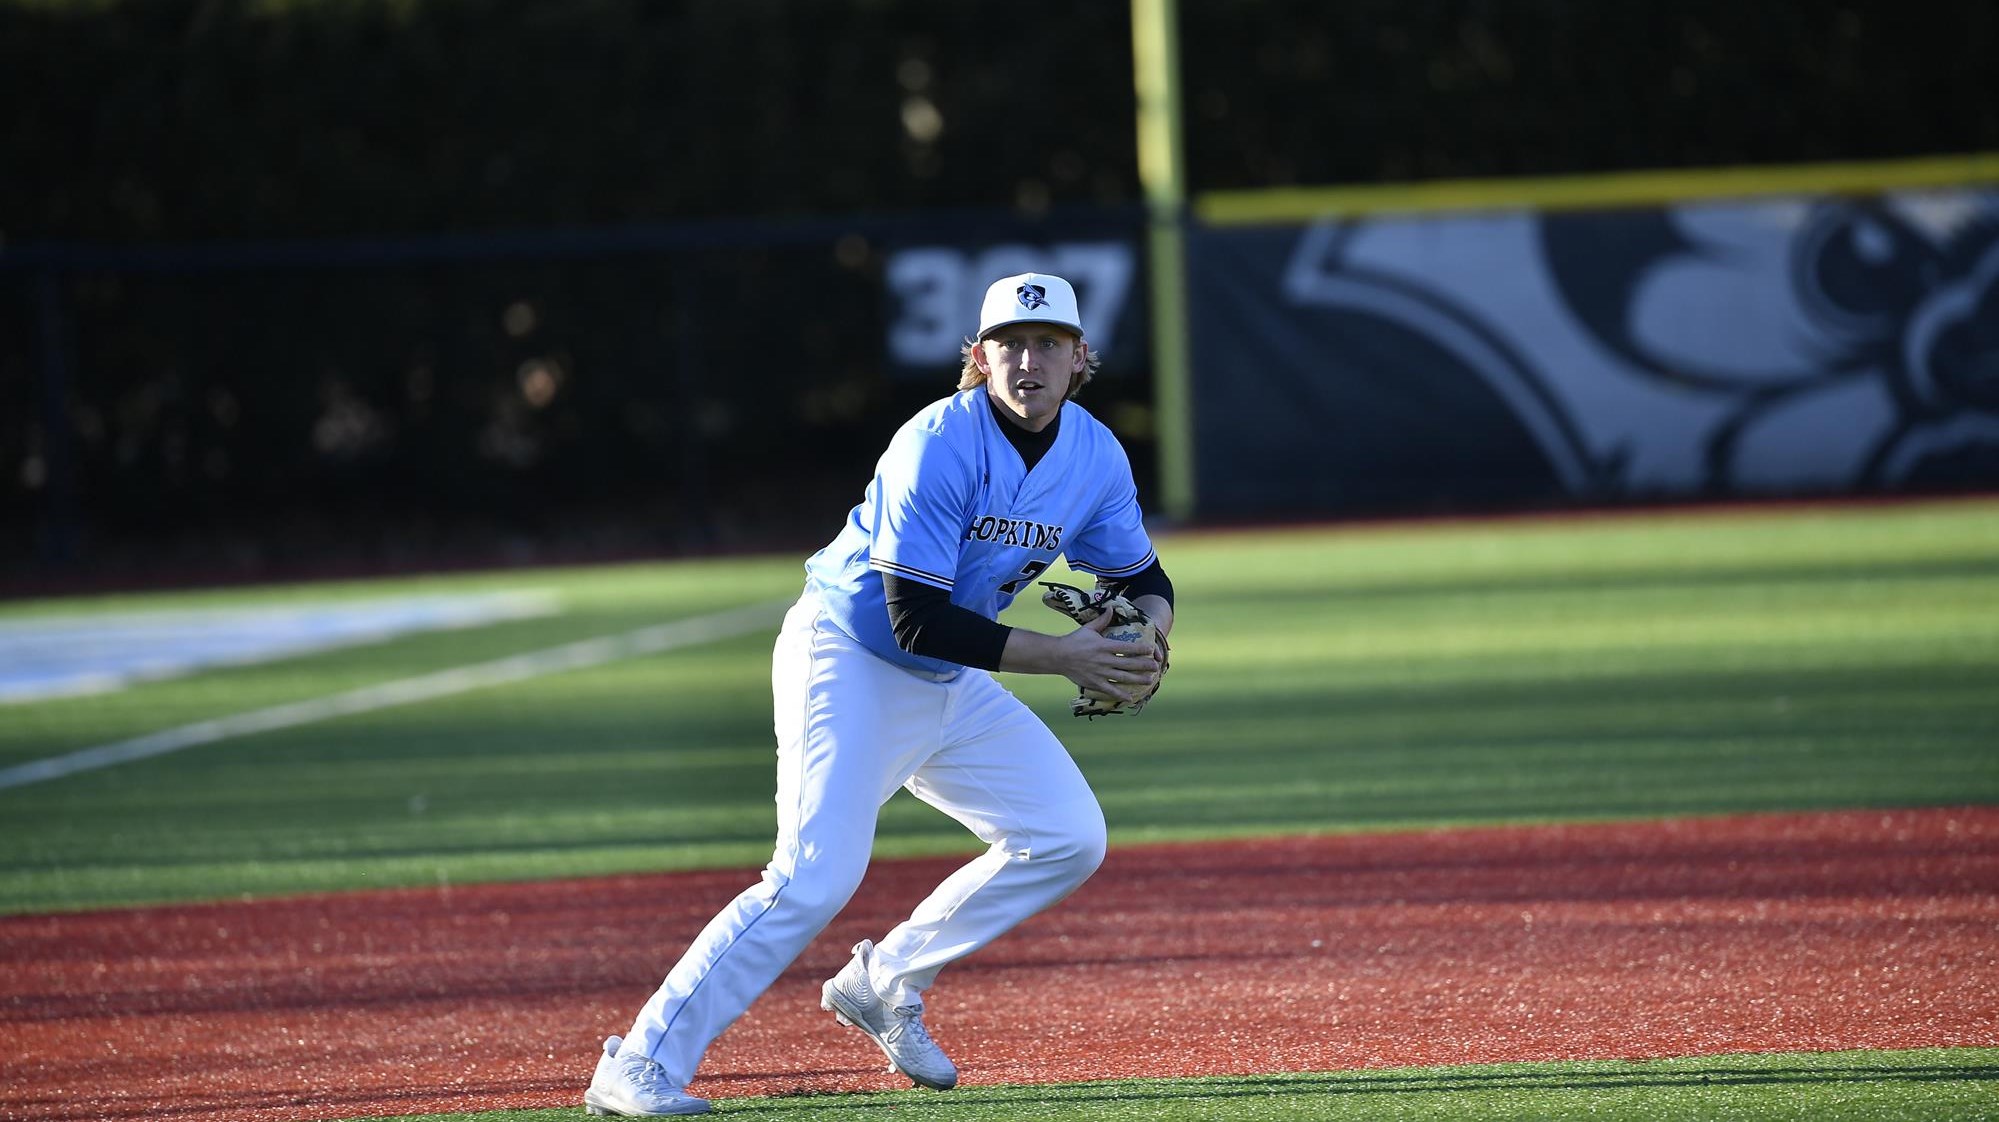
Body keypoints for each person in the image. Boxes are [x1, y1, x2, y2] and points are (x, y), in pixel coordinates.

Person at [584, 272, 1176, 1116]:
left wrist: (1148, 635)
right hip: (849, 658)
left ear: (1081, 358)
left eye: (1048, 344)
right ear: (978, 356)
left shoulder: (1093, 454)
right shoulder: (936, 440)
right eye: (1009, 343)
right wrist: (1068, 657)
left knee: (1066, 836)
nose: (1028, 360)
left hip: (952, 673)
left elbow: (1143, 576)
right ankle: (638, 1062)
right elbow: (911, 619)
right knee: (813, 877)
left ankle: (883, 979)